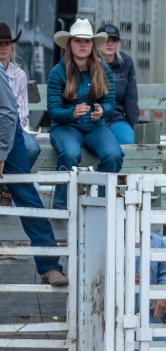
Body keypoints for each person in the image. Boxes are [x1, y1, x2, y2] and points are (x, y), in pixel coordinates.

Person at [0, 39, 67, 286]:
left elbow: (8, 113)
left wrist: (0, 154)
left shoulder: (7, 73)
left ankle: (49, 265)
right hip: (8, 129)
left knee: (27, 196)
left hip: (7, 133)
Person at [48, 19, 123, 211]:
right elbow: (53, 111)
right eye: (77, 41)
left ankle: (101, 203)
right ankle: (61, 206)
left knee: (114, 154)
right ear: (69, 44)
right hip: (66, 126)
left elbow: (110, 101)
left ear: (93, 45)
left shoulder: (103, 69)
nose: (82, 45)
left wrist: (102, 111)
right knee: (71, 153)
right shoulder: (58, 72)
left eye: (87, 41)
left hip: (94, 126)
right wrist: (72, 113)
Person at [0, 23, 39, 167]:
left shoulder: (19, 75)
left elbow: (22, 113)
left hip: (14, 129)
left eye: (7, 43)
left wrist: (12, 136)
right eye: (0, 44)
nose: (3, 47)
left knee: (32, 148)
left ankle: (10, 186)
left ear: (11, 47)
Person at [96, 23, 139, 145]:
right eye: (106, 40)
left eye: (114, 40)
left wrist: (134, 128)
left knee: (129, 141)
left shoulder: (126, 62)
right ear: (97, 43)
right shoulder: (89, 62)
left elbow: (131, 99)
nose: (110, 44)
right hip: (94, 119)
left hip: (116, 119)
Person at [136, 230, 166, 323]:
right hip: (116, 316)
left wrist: (162, 294)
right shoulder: (109, 240)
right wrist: (122, 279)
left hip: (152, 317)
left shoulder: (158, 242)